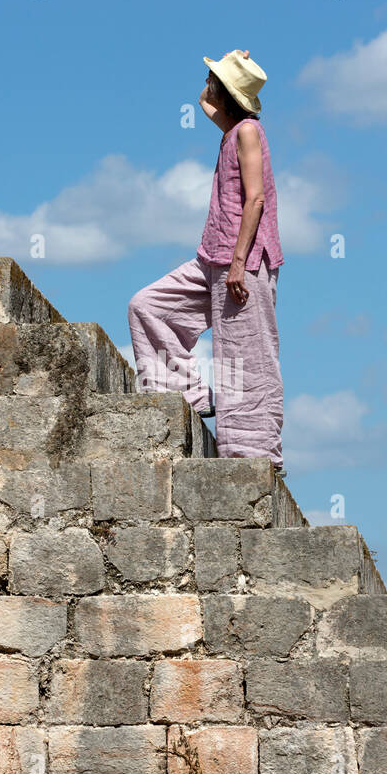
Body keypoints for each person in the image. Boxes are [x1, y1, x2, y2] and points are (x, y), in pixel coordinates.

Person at [127, 49, 284, 470]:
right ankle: (187, 396)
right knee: (148, 305)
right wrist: (224, 66)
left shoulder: (249, 131)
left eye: (215, 79)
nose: (208, 85)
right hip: (211, 259)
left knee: (244, 357)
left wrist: (238, 264)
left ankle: (253, 455)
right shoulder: (231, 128)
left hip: (242, 264)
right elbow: (204, 100)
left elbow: (256, 200)